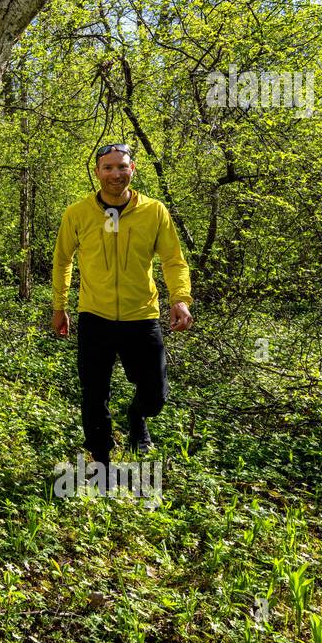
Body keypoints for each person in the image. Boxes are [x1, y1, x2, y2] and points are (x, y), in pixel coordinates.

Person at [50, 143, 193, 467]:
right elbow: (62, 261)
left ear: (133, 170)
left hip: (141, 315)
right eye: (108, 167)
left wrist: (180, 299)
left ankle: (137, 415)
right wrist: (60, 306)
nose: (116, 173)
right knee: (93, 393)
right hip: (94, 316)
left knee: (156, 395)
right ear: (98, 172)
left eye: (122, 167)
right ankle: (101, 459)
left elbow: (173, 260)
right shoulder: (77, 213)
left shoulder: (154, 211)